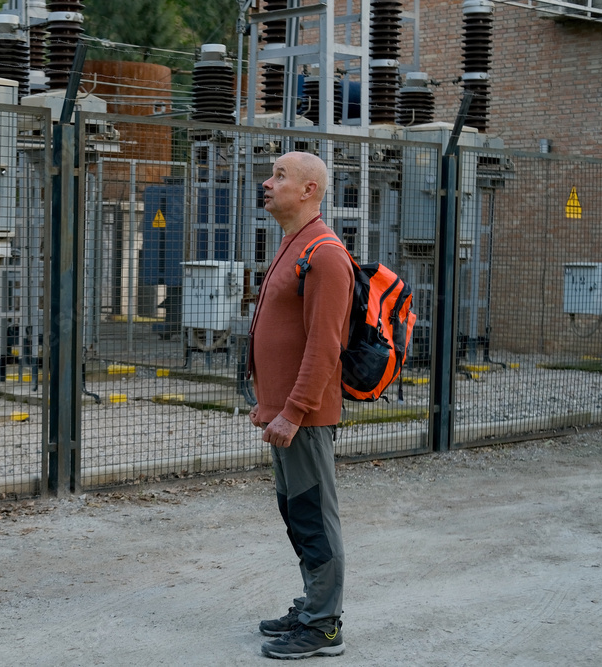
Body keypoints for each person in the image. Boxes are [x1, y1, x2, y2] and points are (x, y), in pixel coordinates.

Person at [247, 151, 353, 659]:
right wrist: (268, 403)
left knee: (314, 515)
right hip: (285, 412)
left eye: (279, 176)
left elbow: (324, 345)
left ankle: (324, 624)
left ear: (309, 189)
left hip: (305, 418)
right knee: (296, 512)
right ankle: (312, 604)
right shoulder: (293, 245)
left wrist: (293, 410)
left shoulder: (325, 253)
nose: (267, 183)